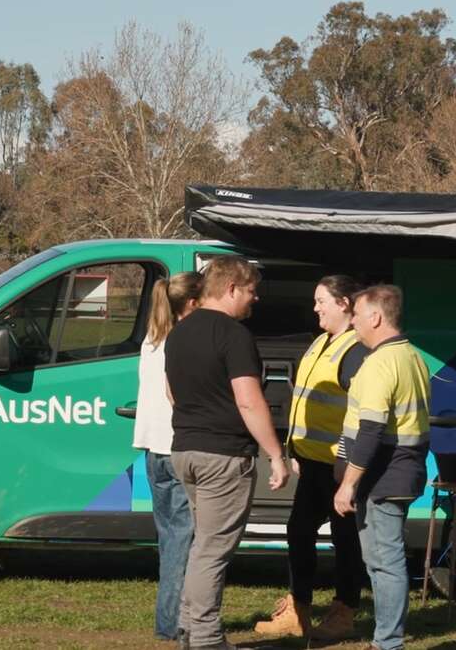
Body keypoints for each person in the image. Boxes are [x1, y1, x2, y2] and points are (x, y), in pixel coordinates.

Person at [166, 255, 290, 650]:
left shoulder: (178, 333)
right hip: (222, 455)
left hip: (184, 450)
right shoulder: (234, 336)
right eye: (252, 292)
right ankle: (204, 637)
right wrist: (275, 453)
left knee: (203, 543)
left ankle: (189, 628)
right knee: (214, 549)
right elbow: (249, 401)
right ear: (232, 288)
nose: (255, 301)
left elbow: (171, 393)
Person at [254, 275, 368, 641]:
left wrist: (349, 469)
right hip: (313, 461)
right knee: (299, 531)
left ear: (345, 304)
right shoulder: (322, 341)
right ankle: (298, 609)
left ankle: (345, 610)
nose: (315, 307)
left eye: (322, 301)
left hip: (339, 465)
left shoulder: (356, 350)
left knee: (345, 539)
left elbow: (363, 414)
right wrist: (295, 451)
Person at [333, 285, 431, 650]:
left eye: (357, 314)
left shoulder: (378, 363)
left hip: (384, 476)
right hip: (403, 471)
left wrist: (348, 483)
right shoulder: (413, 357)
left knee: (385, 561)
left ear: (375, 317)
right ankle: (385, 638)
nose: (353, 321)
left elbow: (370, 431)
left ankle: (388, 642)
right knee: (378, 560)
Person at [133, 271, 204, 642]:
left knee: (169, 538)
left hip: (152, 449)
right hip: (177, 445)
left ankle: (168, 617)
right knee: (184, 539)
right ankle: (174, 621)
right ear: (192, 303)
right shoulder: (186, 341)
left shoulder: (153, 338)